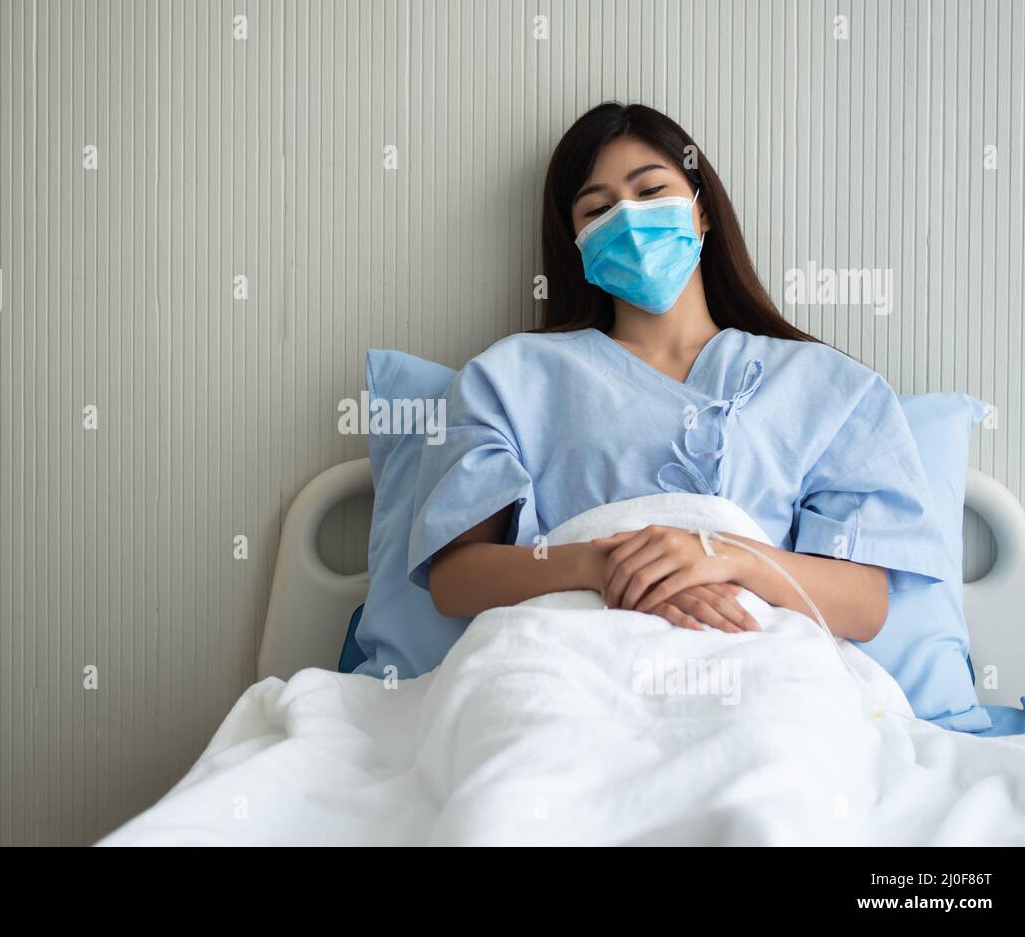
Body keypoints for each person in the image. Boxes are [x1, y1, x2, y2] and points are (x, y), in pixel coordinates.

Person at [407, 102, 953, 641]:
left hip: (759, 661)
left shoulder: (827, 386)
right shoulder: (511, 378)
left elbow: (863, 606)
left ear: (703, 208)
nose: (626, 217)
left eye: (649, 192)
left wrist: (722, 555)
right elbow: (455, 580)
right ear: (576, 245)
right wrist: (607, 568)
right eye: (596, 210)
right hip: (571, 653)